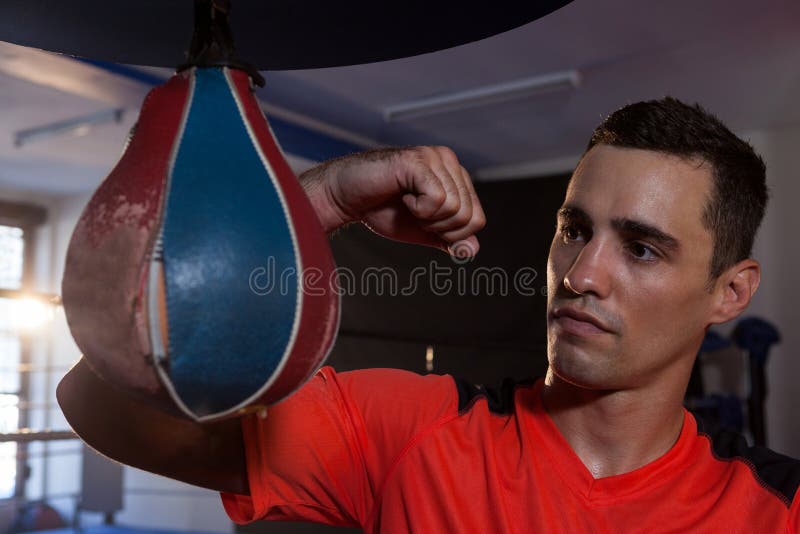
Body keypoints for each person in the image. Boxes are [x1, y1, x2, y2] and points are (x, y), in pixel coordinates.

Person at [58, 97, 800, 532]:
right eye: (575, 230)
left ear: (730, 293)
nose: (580, 274)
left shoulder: (776, 507)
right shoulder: (408, 432)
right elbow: (101, 401)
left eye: (640, 249)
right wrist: (315, 207)